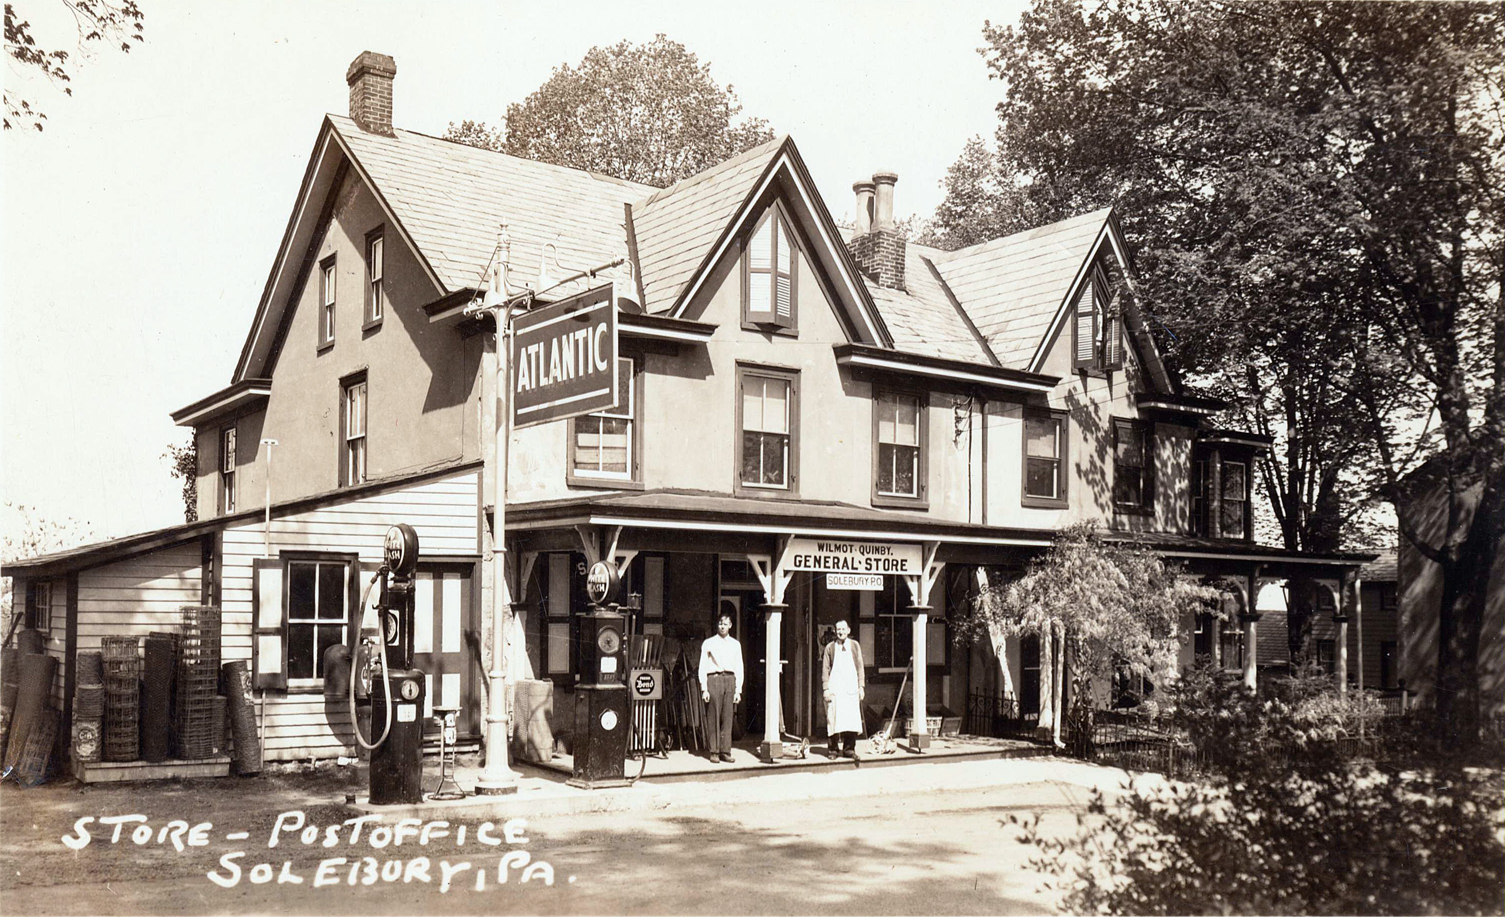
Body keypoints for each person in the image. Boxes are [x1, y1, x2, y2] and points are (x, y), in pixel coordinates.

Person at [698, 613, 743, 763]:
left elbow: (739, 667)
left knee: (728, 716)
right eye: (720, 624)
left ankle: (725, 750)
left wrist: (738, 690)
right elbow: (702, 666)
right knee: (714, 715)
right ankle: (714, 751)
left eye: (725, 624)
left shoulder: (735, 644)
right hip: (714, 679)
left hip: (730, 679)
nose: (722, 627)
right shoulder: (709, 643)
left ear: (730, 625)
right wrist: (704, 688)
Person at [821, 619, 865, 758]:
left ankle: (849, 749)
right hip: (835, 688)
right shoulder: (830, 647)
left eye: (843, 629)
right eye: (838, 629)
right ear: (835, 631)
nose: (841, 632)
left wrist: (861, 686)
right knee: (833, 718)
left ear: (848, 630)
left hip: (851, 688)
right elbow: (825, 669)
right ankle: (833, 750)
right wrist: (826, 688)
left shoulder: (855, 645)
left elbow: (860, 667)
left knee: (850, 718)